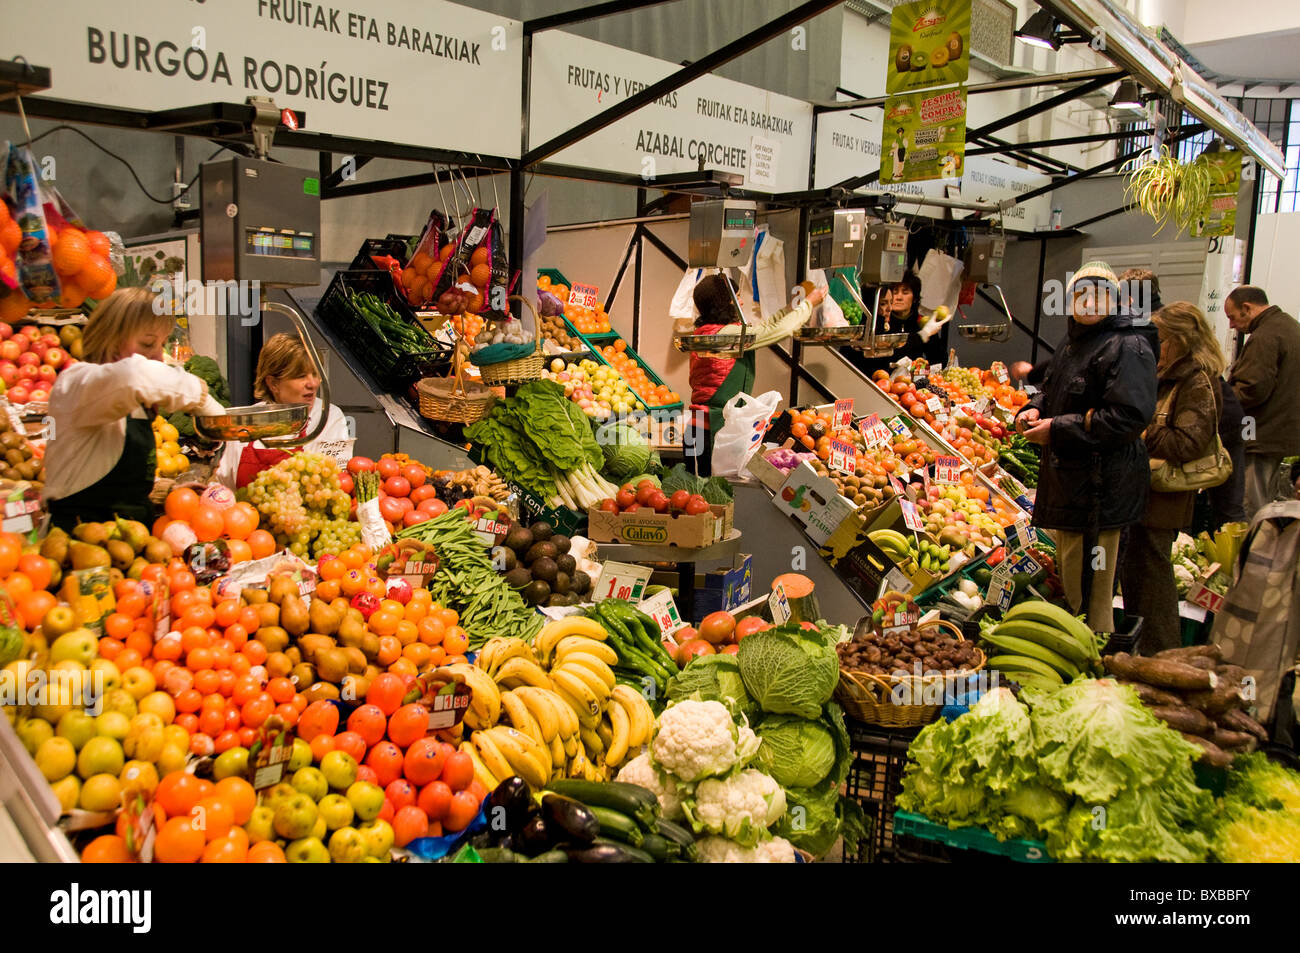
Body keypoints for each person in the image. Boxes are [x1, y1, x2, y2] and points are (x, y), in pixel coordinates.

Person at [1013, 261, 1157, 635]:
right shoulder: (1073, 341)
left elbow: (1128, 418)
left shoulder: (1130, 345)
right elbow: (1052, 391)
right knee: (1074, 583)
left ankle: (1098, 671)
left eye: (1099, 293)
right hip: (1070, 488)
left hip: (1101, 493)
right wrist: (1032, 409)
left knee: (1092, 595)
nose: (1088, 301)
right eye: (1080, 293)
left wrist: (1058, 430)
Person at [43, 288, 223, 529]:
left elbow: (111, 473)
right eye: (148, 343)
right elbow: (133, 375)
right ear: (109, 339)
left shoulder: (133, 402)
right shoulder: (76, 383)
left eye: (162, 344)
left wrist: (166, 491)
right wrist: (203, 399)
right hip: (78, 545)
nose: (159, 356)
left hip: (133, 546)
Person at [1117, 303, 1226, 654]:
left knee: (1152, 574)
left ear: (1180, 340)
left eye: (1159, 339)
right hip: (1146, 491)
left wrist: (1143, 428)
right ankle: (1144, 649)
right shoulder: (1171, 374)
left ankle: (1162, 654)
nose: (1153, 345)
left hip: (1164, 495)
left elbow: (1189, 442)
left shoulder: (1198, 380)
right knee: (1139, 572)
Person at [686, 274, 825, 475]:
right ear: (724, 304)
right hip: (708, 433)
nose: (741, 301)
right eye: (737, 297)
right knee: (706, 499)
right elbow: (781, 329)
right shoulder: (725, 337)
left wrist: (793, 306)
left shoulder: (711, 332)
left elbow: (767, 328)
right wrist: (809, 304)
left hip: (708, 431)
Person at [215, 333, 351, 489]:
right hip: (246, 513)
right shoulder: (248, 421)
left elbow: (334, 482)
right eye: (301, 376)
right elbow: (224, 485)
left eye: (315, 374)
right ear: (273, 383)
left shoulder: (329, 417)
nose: (313, 384)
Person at [1225, 285, 1300, 519]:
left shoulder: (1265, 336)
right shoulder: (1289, 326)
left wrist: (1222, 399)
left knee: (1250, 505)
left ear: (1247, 308)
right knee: (1265, 500)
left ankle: (1250, 552)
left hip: (1259, 434)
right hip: (1279, 433)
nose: (1231, 325)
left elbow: (1252, 389)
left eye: (1232, 317)